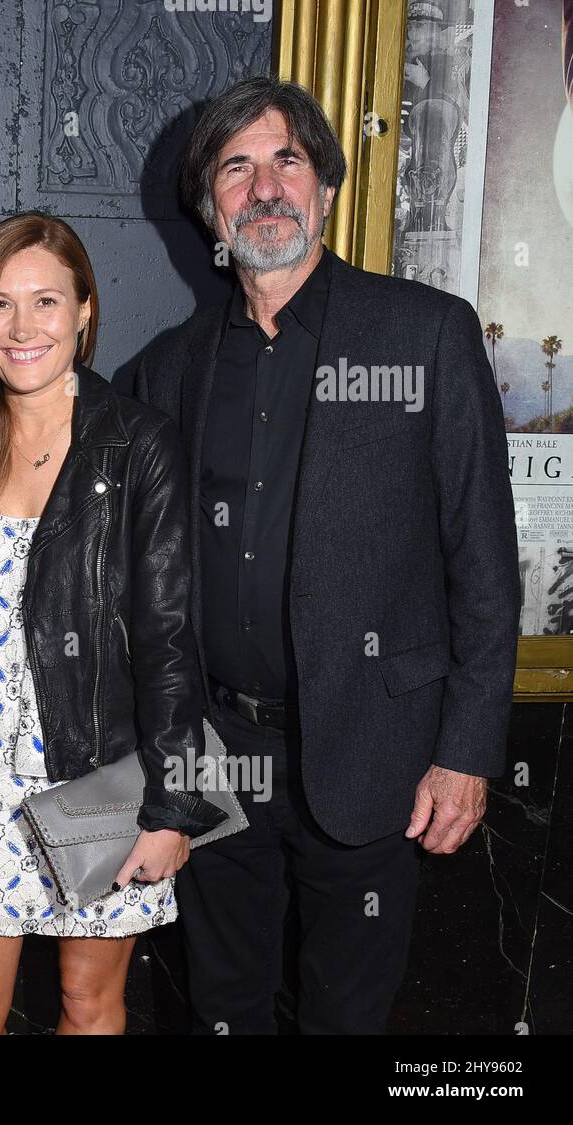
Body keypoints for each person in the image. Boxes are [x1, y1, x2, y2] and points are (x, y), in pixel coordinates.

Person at [135, 76, 519, 1034]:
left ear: (328, 190)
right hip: (220, 757)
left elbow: (483, 563)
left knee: (348, 1013)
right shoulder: (167, 371)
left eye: (287, 160)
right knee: (223, 1003)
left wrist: (467, 752)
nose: (264, 187)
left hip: (378, 754)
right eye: (236, 167)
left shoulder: (425, 335)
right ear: (208, 209)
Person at [0, 212, 226, 1035]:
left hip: (96, 769)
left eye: (46, 301)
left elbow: (169, 640)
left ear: (84, 311)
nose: (22, 327)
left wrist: (172, 807)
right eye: (0, 304)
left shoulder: (137, 443)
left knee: (88, 1005)